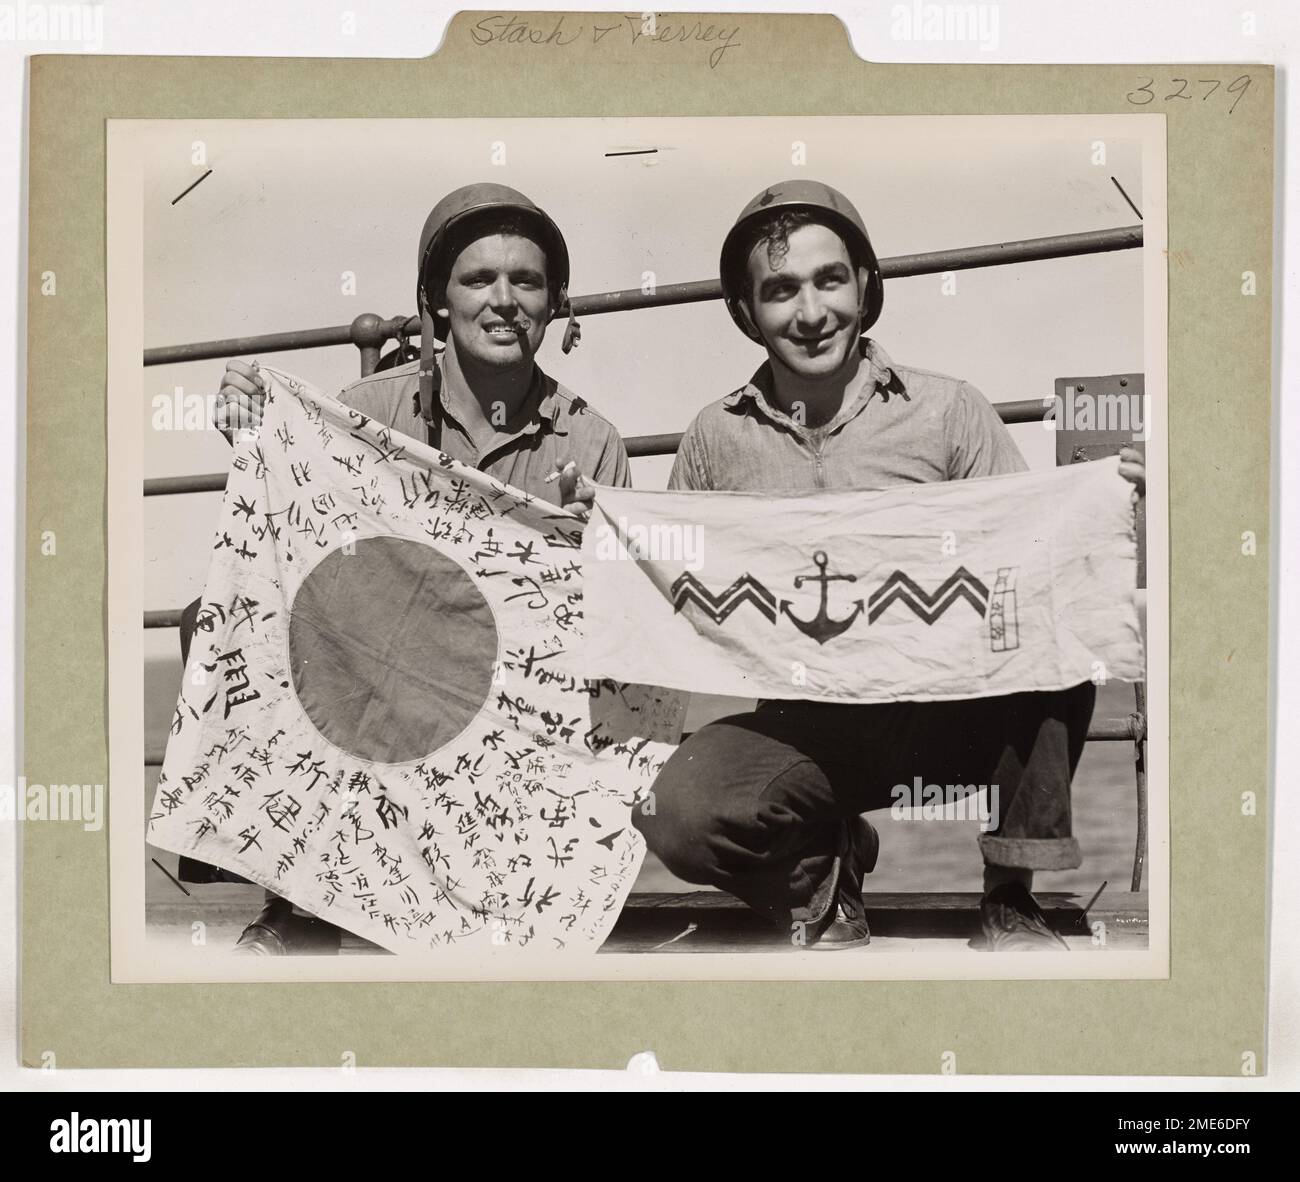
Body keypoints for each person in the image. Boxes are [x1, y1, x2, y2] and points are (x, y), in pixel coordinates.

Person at [632, 180, 1146, 951]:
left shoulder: (949, 411)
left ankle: (1010, 898)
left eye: (829, 280)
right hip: (806, 729)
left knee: (1060, 647)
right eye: (779, 291)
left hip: (951, 712)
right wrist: (602, 534)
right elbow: (677, 589)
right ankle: (822, 872)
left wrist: (1121, 499)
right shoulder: (715, 438)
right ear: (746, 311)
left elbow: (1037, 553)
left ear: (866, 286)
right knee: (671, 809)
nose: (810, 313)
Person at [206, 183, 631, 953]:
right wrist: (252, 436)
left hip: (509, 715)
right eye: (478, 281)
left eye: (527, 281)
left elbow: (614, 631)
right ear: (437, 302)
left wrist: (602, 535)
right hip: (383, 688)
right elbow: (303, 542)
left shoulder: (593, 443)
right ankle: (293, 901)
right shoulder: (366, 411)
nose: (504, 301)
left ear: (552, 303)